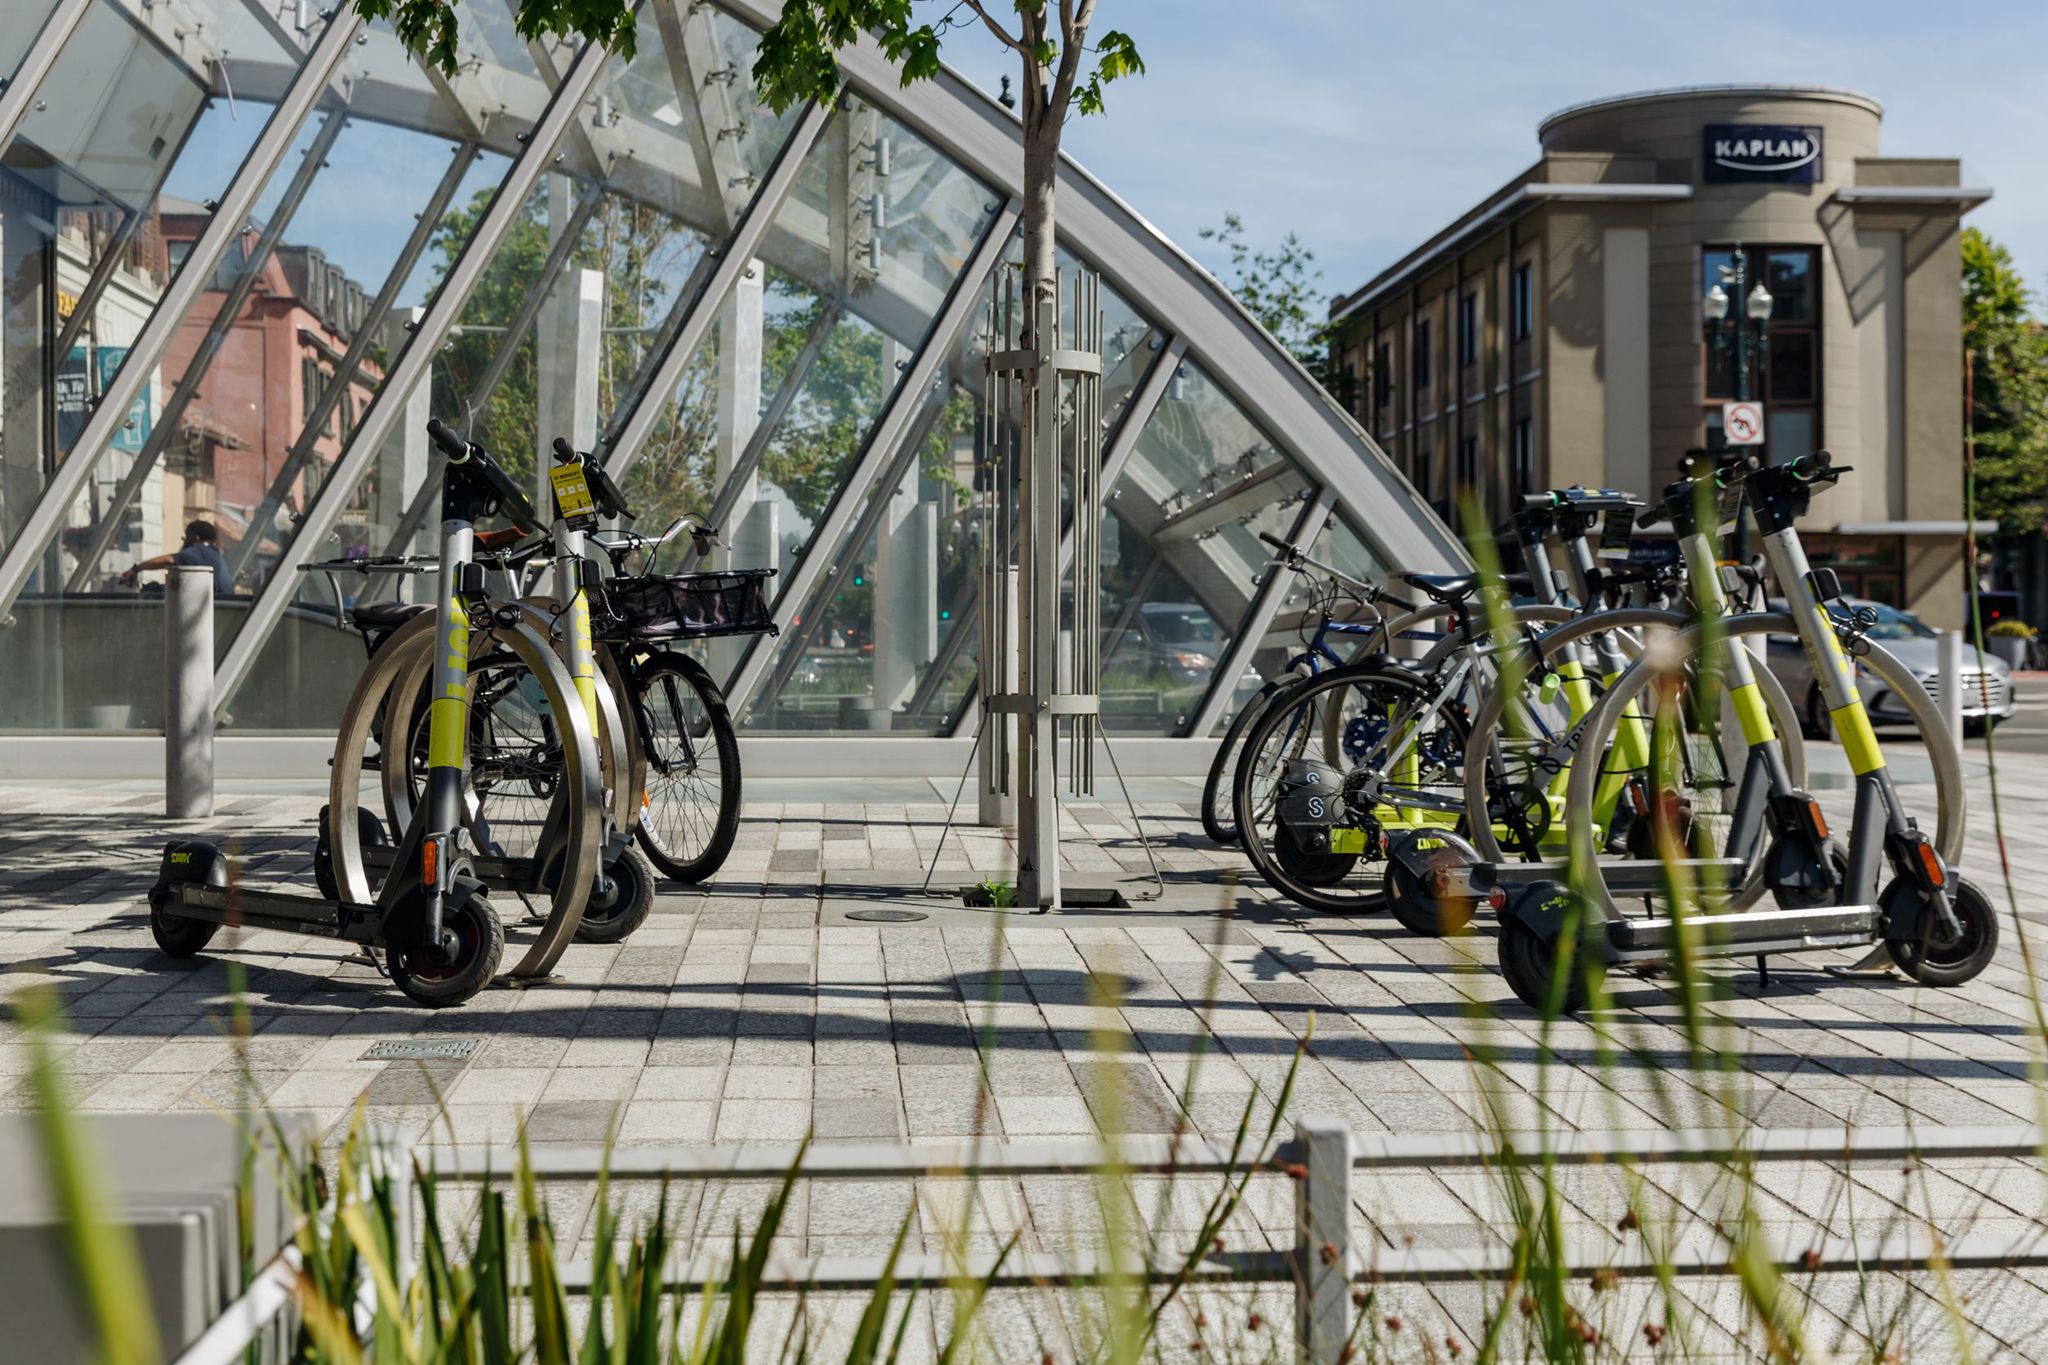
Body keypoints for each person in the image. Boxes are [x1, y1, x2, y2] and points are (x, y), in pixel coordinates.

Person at [121, 520, 233, 595]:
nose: (184, 541)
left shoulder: (199, 551)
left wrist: (136, 569)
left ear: (196, 538)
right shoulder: (214, 555)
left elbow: (168, 560)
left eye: (186, 536)